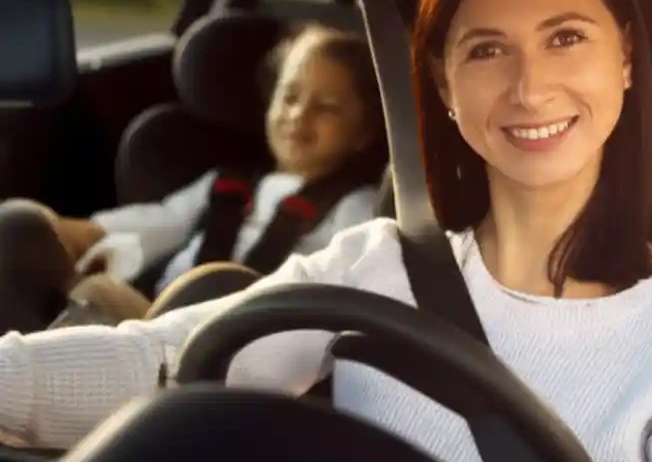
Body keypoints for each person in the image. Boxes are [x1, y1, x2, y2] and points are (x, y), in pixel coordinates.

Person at [0, 0, 652, 462]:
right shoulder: (373, 268)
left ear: (627, 57)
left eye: (566, 37)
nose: (530, 86)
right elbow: (162, 363)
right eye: (486, 49)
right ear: (445, 87)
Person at [0, 25, 386, 333]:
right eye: (289, 98)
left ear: (364, 132)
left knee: (97, 292)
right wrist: (69, 231)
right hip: (156, 317)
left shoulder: (355, 206)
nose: (299, 117)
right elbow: (159, 220)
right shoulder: (226, 186)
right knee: (23, 223)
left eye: (328, 108)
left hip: (229, 340)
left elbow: (344, 284)